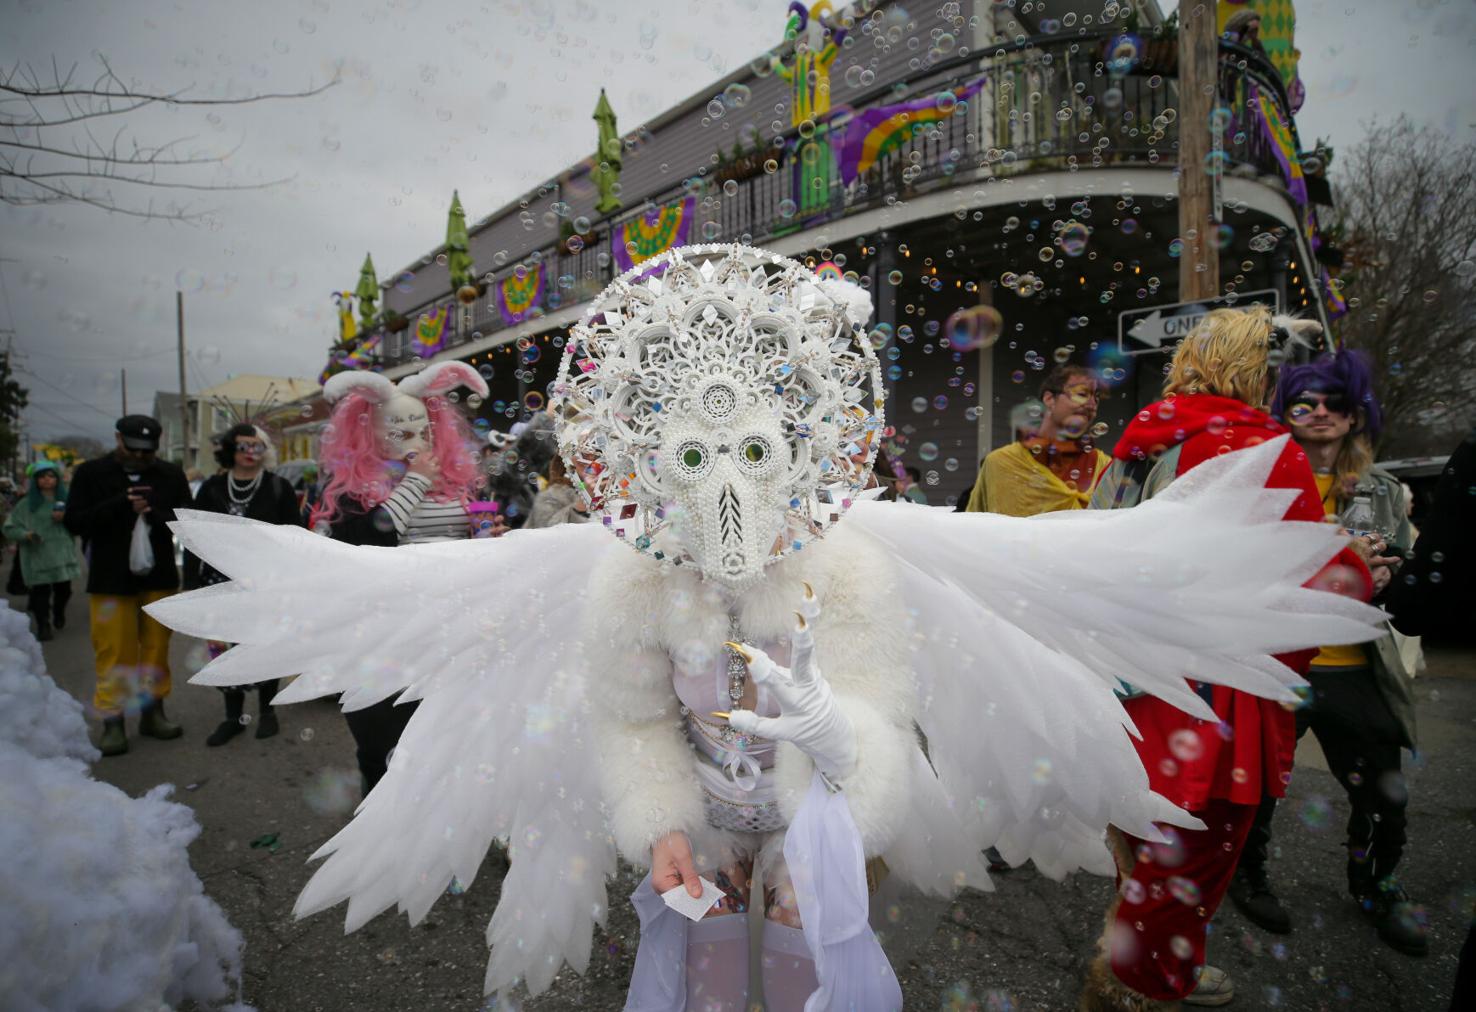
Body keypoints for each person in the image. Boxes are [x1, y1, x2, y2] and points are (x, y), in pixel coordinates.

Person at [148, 247, 1382, 1009]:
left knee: (800, 985)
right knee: (700, 982)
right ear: (652, 459)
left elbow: (881, 732)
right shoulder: (624, 579)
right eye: (695, 457)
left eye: (748, 450)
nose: (726, 486)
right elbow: (631, 725)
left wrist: (833, 767)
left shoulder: (851, 567)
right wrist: (659, 829)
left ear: (794, 448)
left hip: (818, 848)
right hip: (700, 852)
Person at [1080, 308, 1374, 1010]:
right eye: (1271, 372)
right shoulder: (1262, 449)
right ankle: (1143, 984)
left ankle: (1135, 959)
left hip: (1131, 677)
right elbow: (1313, 586)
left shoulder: (1140, 442)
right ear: (1251, 371)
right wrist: (1359, 567)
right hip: (1216, 690)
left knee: (1144, 837)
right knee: (1198, 850)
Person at [1228, 351, 1427, 955]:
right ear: (1285, 413)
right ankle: (1247, 875)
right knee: (1259, 788)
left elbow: (1404, 563)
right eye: (1304, 402)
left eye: (1333, 402)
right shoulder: (1263, 483)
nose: (1319, 412)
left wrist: (1390, 576)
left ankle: (1377, 887)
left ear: (1354, 414)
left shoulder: (1382, 488)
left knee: (1383, 794)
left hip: (1356, 666)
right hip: (1281, 660)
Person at [311, 363, 489, 794]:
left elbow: (470, 542)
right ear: (368, 431)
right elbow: (363, 543)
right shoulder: (351, 488)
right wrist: (414, 482)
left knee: (447, 744)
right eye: (399, 431)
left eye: (420, 429)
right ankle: (379, 820)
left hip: (451, 630)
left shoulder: (456, 479)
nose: (413, 439)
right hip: (382, 637)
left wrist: (490, 537)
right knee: (382, 745)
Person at [64, 415, 192, 756]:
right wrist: (120, 504)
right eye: (133, 448)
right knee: (114, 651)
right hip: (110, 579)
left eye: (146, 450)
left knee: (156, 649)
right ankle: (114, 722)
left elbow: (187, 521)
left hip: (159, 576)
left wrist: (153, 512)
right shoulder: (91, 473)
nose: (139, 455)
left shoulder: (170, 474)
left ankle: (153, 713)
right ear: (118, 439)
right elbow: (75, 522)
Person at [183, 424, 304, 746]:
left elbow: (295, 537)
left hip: (267, 582)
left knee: (265, 645)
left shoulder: (278, 487)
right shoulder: (211, 487)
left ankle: (267, 711)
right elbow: (195, 535)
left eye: (257, 446)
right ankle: (232, 717)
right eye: (243, 446)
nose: (251, 453)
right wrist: (191, 583)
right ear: (229, 450)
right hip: (218, 580)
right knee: (223, 649)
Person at [965, 365, 1109, 515]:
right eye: (1081, 394)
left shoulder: (1105, 467)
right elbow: (977, 523)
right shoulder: (1000, 463)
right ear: (1049, 399)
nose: (1092, 404)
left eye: (1096, 398)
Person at [2, 461, 80, 641]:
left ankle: (59, 612)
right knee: (40, 593)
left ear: (57, 479)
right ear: (36, 480)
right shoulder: (25, 504)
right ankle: (43, 624)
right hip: (37, 556)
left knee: (64, 591)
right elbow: (9, 527)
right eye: (42, 476)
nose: (47, 479)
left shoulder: (67, 501)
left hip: (63, 557)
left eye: (51, 476)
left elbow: (80, 524)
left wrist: (66, 517)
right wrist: (26, 534)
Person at [526, 454, 590, 529]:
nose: (589, 457)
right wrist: (581, 507)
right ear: (563, 461)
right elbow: (547, 529)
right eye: (580, 453)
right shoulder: (550, 494)